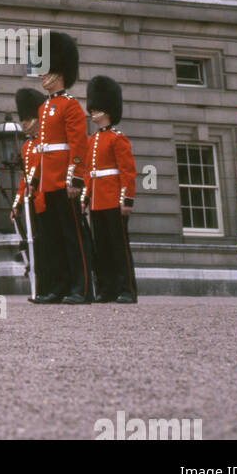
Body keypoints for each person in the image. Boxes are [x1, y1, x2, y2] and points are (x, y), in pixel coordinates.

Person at [31, 31, 93, 303]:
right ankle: (59, 286)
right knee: (52, 238)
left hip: (64, 180)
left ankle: (81, 287)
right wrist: (36, 180)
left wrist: (75, 178)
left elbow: (78, 147)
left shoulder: (71, 106)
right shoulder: (45, 108)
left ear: (61, 72)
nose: (42, 76)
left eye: (47, 71)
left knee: (73, 237)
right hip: (48, 180)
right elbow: (42, 148)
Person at [84, 75, 138, 304]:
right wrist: (85, 198)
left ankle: (127, 289)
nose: (92, 112)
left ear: (107, 110)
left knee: (119, 248)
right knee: (102, 248)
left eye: (96, 109)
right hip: (97, 199)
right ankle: (106, 288)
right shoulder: (91, 140)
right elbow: (89, 172)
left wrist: (126, 199)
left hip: (113, 199)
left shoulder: (118, 139)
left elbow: (127, 171)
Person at [11, 88, 50, 303]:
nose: (24, 124)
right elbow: (23, 180)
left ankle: (49, 286)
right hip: (31, 203)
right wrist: (16, 204)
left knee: (46, 245)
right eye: (23, 120)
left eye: (28, 119)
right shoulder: (27, 147)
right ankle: (41, 287)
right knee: (34, 245)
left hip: (45, 200)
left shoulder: (43, 144)